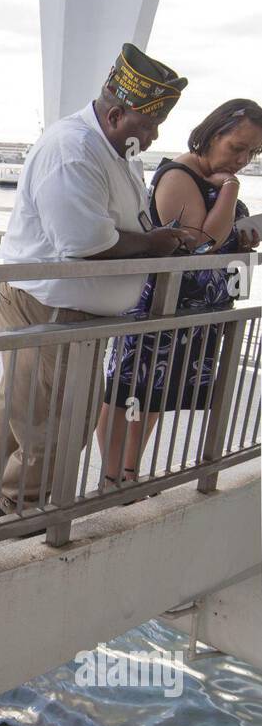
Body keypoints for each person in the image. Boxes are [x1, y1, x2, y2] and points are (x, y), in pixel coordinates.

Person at [0, 43, 192, 524]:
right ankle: (22, 517)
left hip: (59, 307)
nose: (154, 136)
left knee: (24, 409)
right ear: (116, 114)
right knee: (55, 425)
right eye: (147, 125)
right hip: (52, 309)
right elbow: (84, 243)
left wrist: (144, 237)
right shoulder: (72, 150)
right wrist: (154, 244)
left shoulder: (113, 146)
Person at [100, 99, 262, 482]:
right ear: (212, 132)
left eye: (253, 152)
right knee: (126, 393)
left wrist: (242, 240)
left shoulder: (214, 178)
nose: (242, 159)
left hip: (190, 311)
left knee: (157, 395)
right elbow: (202, 239)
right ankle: (111, 478)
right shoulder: (179, 174)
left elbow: (218, 240)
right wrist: (232, 188)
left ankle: (129, 471)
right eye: (236, 147)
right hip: (158, 307)